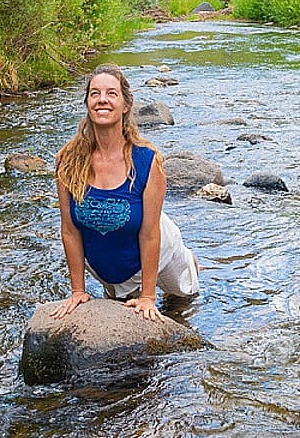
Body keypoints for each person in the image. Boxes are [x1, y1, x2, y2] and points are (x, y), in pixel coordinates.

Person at [51, 64, 200, 322]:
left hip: (159, 245)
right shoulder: (68, 161)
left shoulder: (147, 161)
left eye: (111, 93)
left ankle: (189, 261)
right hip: (110, 258)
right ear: (87, 102)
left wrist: (149, 297)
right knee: (120, 298)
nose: (102, 100)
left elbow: (150, 233)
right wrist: (78, 291)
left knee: (183, 296)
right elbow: (69, 231)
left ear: (126, 104)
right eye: (95, 93)